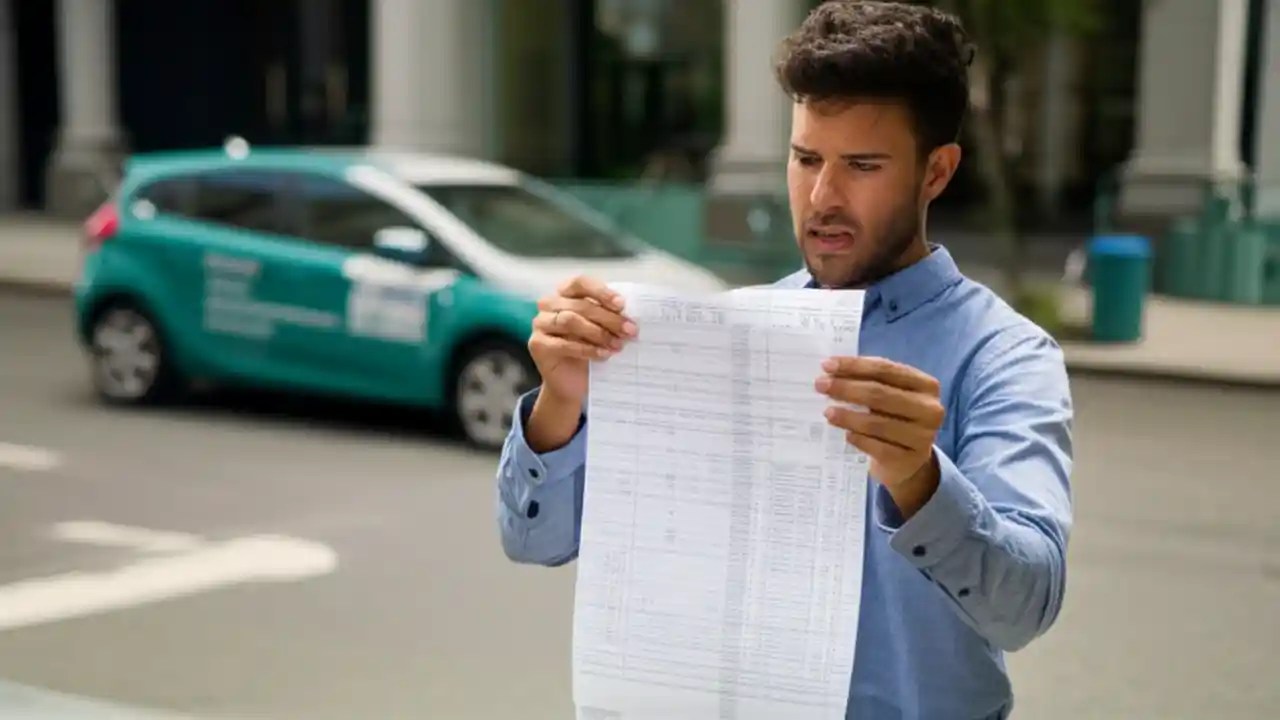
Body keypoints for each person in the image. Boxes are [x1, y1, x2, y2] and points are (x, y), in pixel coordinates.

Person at [494, 2, 1073, 717]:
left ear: (937, 172)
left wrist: (920, 479)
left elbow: (1026, 608)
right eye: (806, 159)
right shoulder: (732, 331)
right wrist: (562, 401)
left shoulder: (1003, 356)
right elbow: (532, 541)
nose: (822, 197)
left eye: (862, 165)